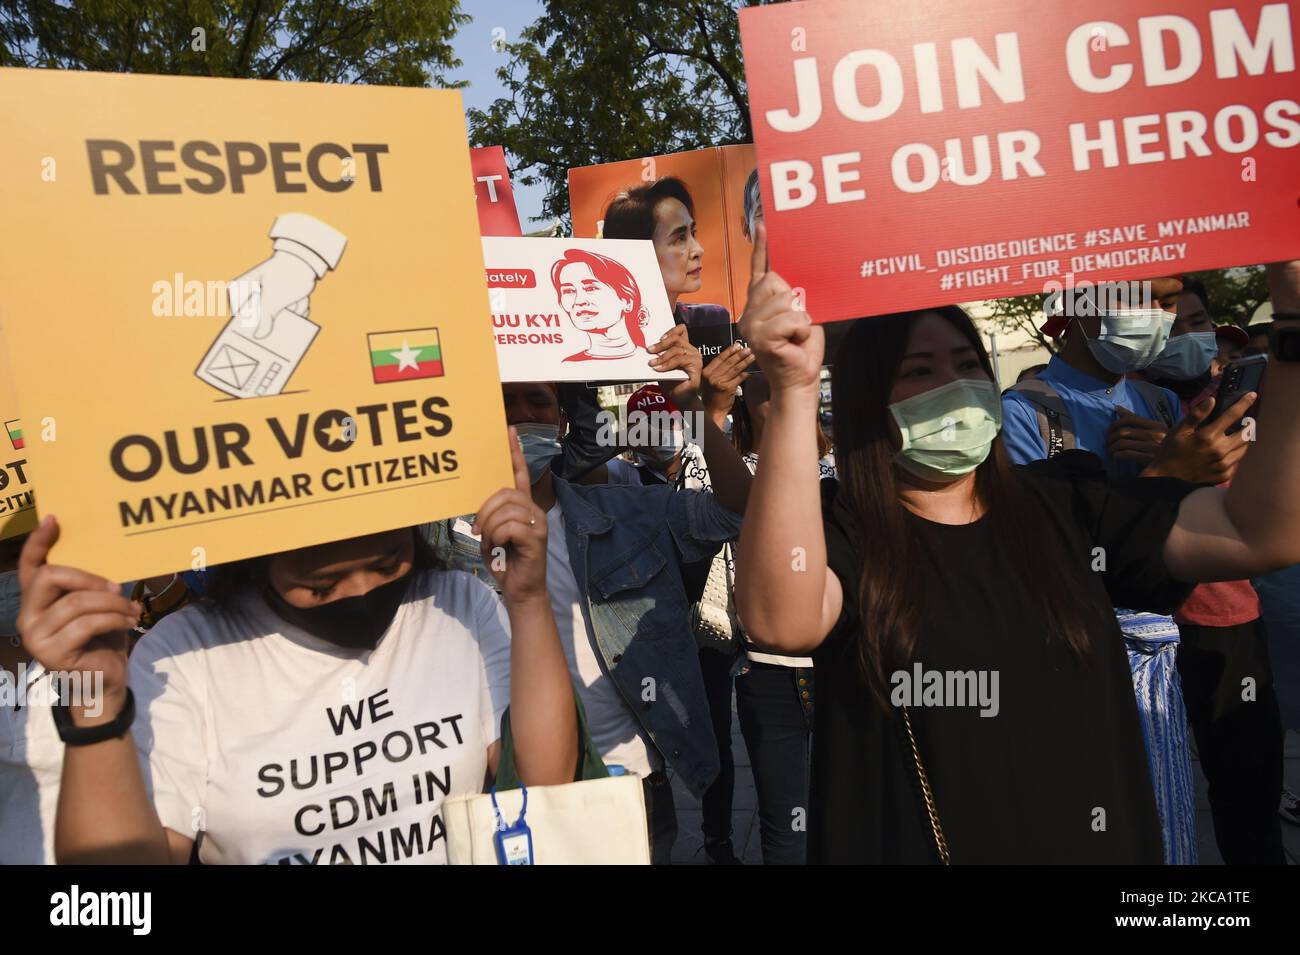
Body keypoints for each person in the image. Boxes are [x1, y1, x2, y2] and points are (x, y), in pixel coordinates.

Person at [733, 224, 1300, 863]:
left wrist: (1293, 317)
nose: (954, 386)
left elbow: (1267, 532)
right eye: (918, 371)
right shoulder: (845, 532)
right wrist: (792, 387)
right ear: (869, 402)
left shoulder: (1070, 503)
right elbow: (781, 622)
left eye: (968, 364)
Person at [16, 432, 579, 864]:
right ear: (257, 561)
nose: (361, 593)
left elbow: (547, 786)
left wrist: (527, 601)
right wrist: (95, 710)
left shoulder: (455, 603)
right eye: (321, 585)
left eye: (386, 564)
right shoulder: (185, 655)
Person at [494, 325, 752, 864]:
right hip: (501, 792)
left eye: (536, 401)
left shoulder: (623, 515)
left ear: (562, 421)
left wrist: (697, 409)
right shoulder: (446, 545)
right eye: (505, 402)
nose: (521, 417)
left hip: (626, 780)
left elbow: (734, 511)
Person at [1137, 280, 1288, 864]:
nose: (1188, 335)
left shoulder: (1237, 399)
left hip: (1229, 618)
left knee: (1249, 788)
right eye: (1169, 324)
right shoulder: (1130, 401)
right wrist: (1164, 464)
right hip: (1149, 633)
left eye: (1195, 319)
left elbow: (1261, 496)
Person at [728, 372, 835, 865]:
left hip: (843, 665)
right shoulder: (739, 471)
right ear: (746, 410)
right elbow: (728, 500)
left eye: (793, 385)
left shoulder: (844, 467)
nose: (781, 398)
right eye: (764, 393)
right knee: (787, 824)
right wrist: (698, 407)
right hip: (768, 674)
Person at [551, 248, 649, 362]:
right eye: (568, 291)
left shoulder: (656, 362)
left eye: (591, 288)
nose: (579, 301)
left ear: (627, 301)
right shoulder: (567, 368)